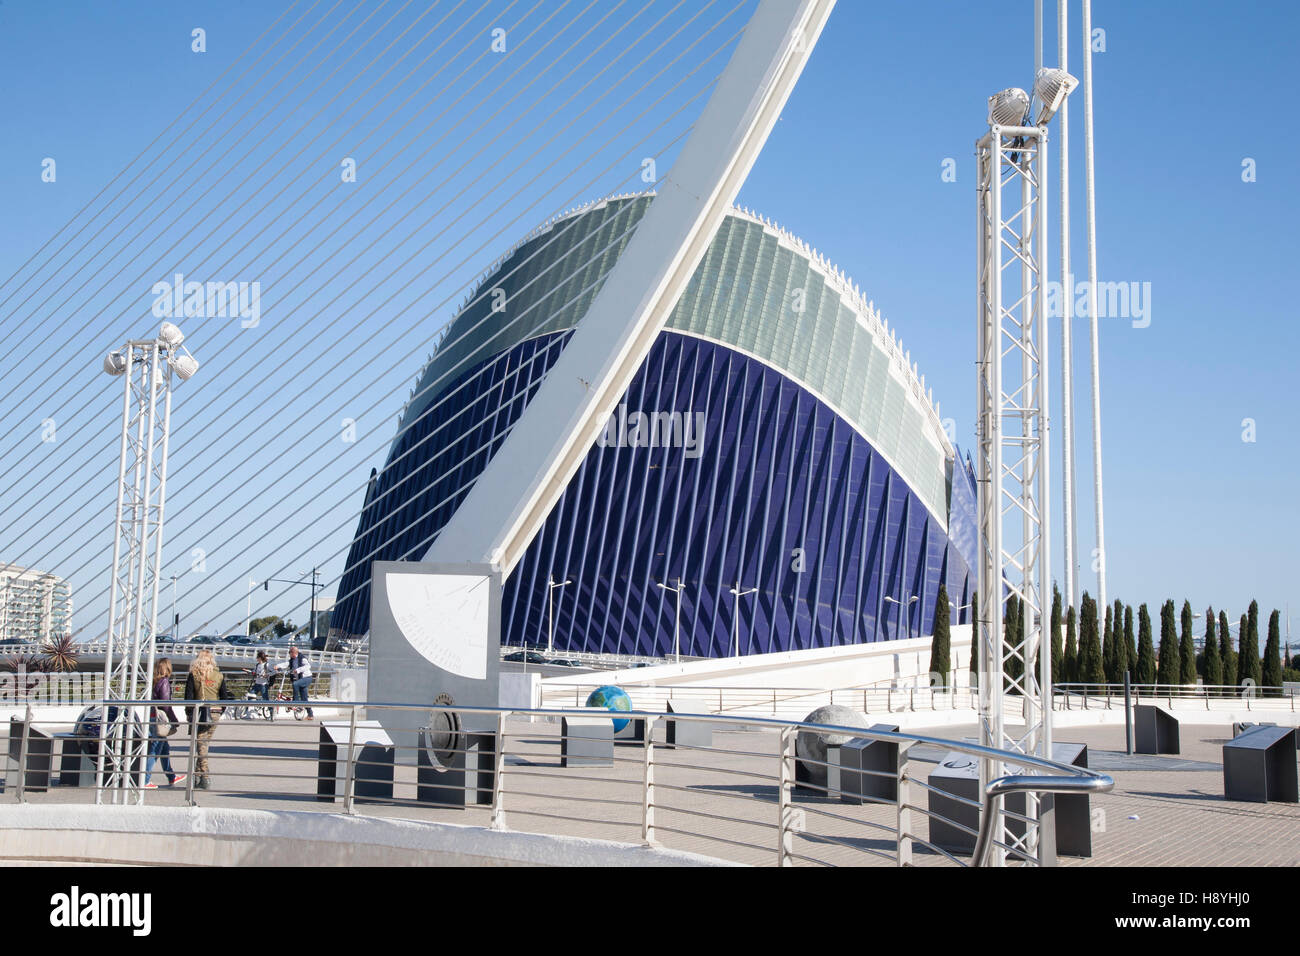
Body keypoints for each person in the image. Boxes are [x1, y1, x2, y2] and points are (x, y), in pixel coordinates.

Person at [184, 648, 233, 790]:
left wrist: (189, 713)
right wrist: (220, 711)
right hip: (215, 712)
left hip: (200, 712)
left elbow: (189, 697)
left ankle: (205, 776)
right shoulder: (218, 675)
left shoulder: (194, 674)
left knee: (201, 745)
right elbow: (224, 696)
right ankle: (198, 777)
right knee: (204, 745)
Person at [144, 658, 185, 789]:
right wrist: (174, 720)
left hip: (153, 717)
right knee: (155, 751)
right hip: (161, 720)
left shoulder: (154, 681)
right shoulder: (164, 682)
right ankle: (144, 780)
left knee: (164, 749)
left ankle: (171, 776)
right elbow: (166, 704)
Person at [241, 650, 273, 720]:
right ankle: (246, 711)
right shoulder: (257, 665)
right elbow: (254, 672)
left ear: (260, 658)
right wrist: (248, 671)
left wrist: (267, 675)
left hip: (264, 684)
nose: (256, 659)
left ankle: (271, 713)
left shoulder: (267, 665)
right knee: (250, 696)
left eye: (257, 657)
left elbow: (274, 671)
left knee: (265, 699)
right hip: (257, 683)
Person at [286, 644, 315, 719]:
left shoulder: (302, 658)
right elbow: (286, 664)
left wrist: (298, 670)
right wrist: (278, 667)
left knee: (295, 684)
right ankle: (310, 714)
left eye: (290, 653)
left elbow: (308, 666)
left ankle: (296, 702)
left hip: (307, 678)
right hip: (301, 679)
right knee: (304, 698)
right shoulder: (292, 660)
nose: (290, 655)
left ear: (294, 653)